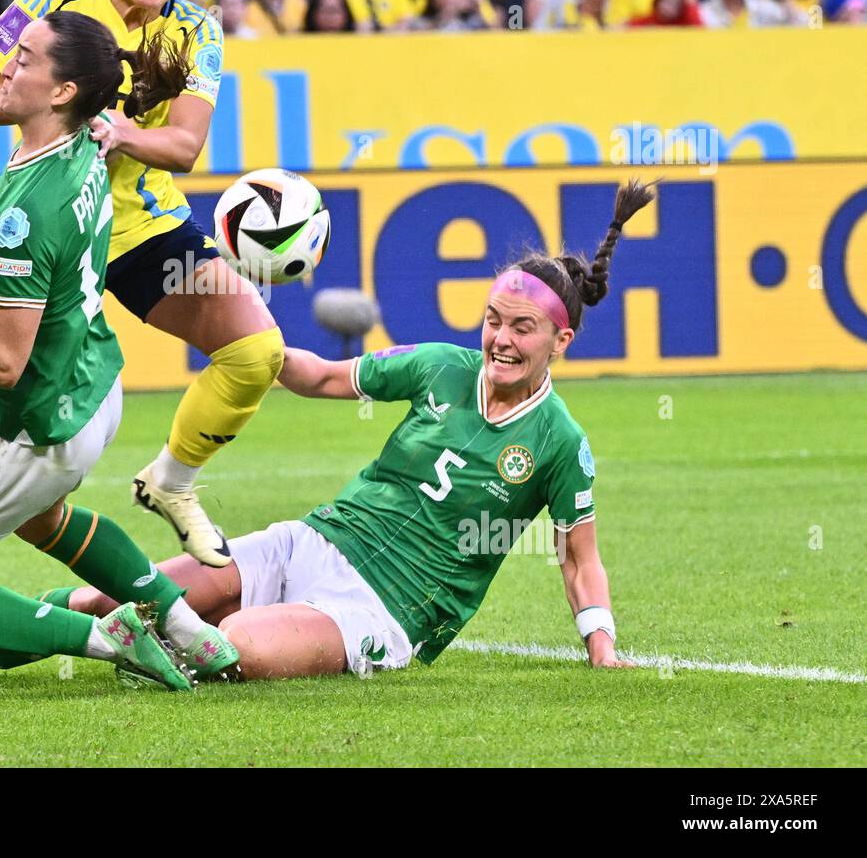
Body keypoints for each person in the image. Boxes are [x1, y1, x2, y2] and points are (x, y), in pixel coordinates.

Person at [41, 183, 654, 681]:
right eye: (494, 320)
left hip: (383, 608)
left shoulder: (559, 442)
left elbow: (579, 558)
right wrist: (250, 344)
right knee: (114, 598)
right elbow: (327, 378)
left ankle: (177, 638)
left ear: (560, 341)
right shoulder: (441, 365)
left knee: (237, 643)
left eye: (523, 328)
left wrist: (599, 643)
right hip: (313, 541)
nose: (501, 339)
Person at [0, 10, 238, 692]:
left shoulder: (25, 218)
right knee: (41, 519)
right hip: (93, 389)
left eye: (24, 59)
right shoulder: (89, 140)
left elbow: (5, 361)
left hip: (37, 427)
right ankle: (188, 629)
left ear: (62, 91)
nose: (5, 66)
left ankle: (105, 635)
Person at [0, 0, 295, 570]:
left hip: (143, 231)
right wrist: (58, 104)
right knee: (18, 445)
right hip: (56, 228)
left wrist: (123, 129)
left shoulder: (199, 30)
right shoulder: (46, 1)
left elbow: (184, 147)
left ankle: (173, 481)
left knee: (257, 351)